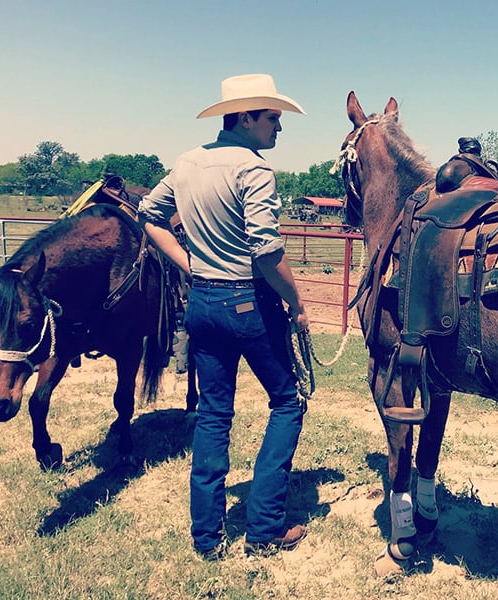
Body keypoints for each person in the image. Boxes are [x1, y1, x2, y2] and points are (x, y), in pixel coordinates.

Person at [138, 73, 310, 561]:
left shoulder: (187, 162)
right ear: (247, 117)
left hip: (203, 303)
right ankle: (263, 529)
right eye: (273, 118)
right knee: (287, 403)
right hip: (248, 304)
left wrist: (189, 263)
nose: (279, 128)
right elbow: (265, 248)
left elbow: (149, 216)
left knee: (214, 414)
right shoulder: (254, 170)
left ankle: (207, 537)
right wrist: (296, 302)